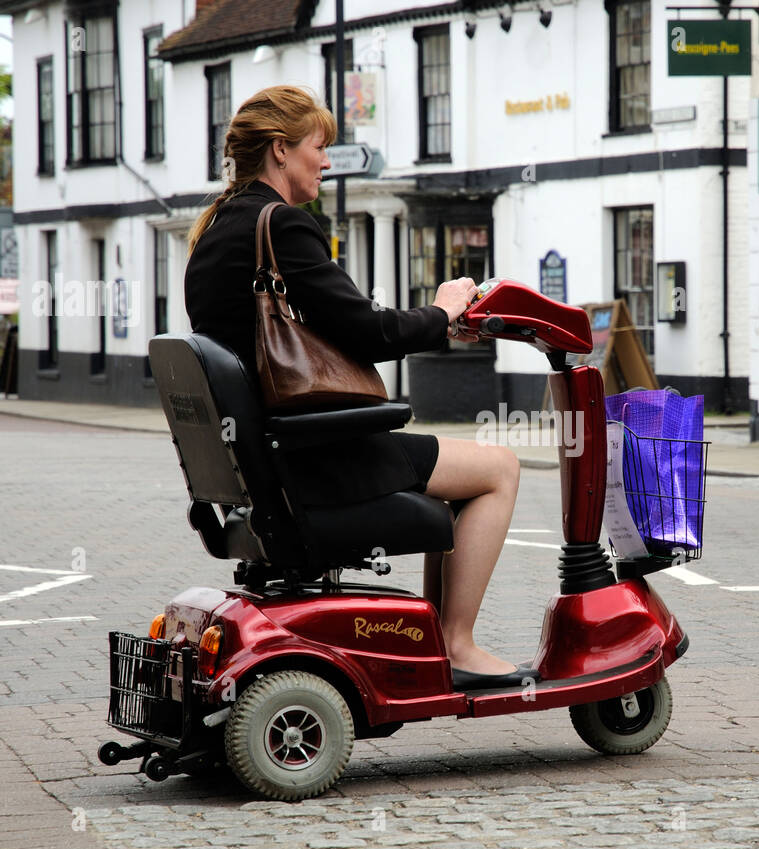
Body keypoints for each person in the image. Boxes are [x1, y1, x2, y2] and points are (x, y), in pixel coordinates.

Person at [184, 85, 531, 688]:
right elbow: (368, 332)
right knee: (499, 467)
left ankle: (441, 643)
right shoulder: (282, 226)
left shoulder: (214, 232)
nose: (326, 160)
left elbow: (316, 333)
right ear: (280, 151)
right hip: (320, 457)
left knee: (465, 471)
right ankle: (458, 644)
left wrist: (430, 325)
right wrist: (446, 311)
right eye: (319, 147)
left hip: (267, 458)